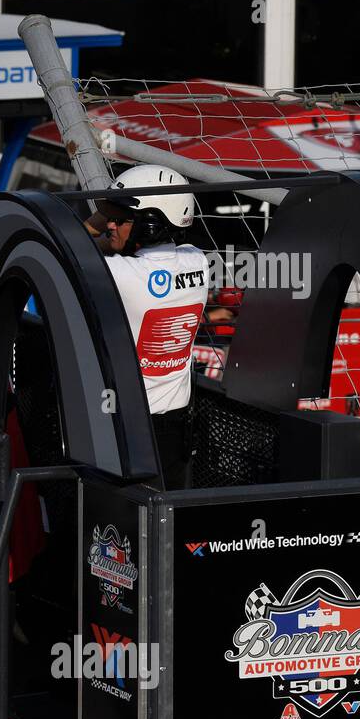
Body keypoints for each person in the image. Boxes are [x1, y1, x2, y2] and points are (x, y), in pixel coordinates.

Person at [92, 164, 209, 490]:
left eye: (120, 217)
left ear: (151, 224)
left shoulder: (120, 275)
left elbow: (75, 241)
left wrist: (98, 224)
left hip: (125, 430)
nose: (110, 224)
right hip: (175, 430)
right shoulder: (197, 261)